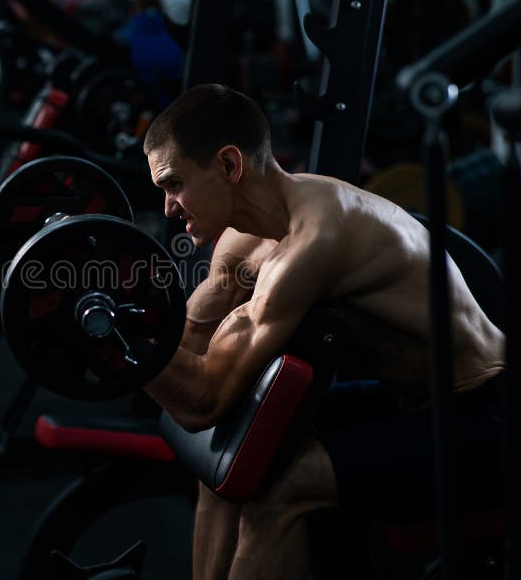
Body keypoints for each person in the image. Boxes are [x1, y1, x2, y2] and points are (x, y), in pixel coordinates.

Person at [141, 84, 506, 580]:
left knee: (281, 489)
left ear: (229, 166)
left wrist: (113, 340)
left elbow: (205, 397)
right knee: (235, 451)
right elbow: (186, 345)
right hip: (409, 400)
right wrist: (125, 332)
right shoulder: (241, 238)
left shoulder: (319, 235)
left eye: (173, 184)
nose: (168, 207)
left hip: (486, 410)